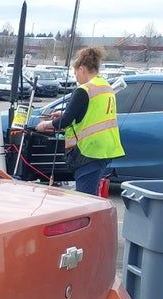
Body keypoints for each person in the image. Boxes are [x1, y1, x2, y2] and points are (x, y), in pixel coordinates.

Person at [35, 46, 125, 195]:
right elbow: (92, 112)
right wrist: (65, 113)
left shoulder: (84, 90)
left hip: (89, 150)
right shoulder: (105, 87)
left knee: (85, 197)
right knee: (91, 194)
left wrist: (45, 125)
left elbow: (65, 121)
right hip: (105, 148)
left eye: (75, 72)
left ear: (82, 69)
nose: (75, 77)